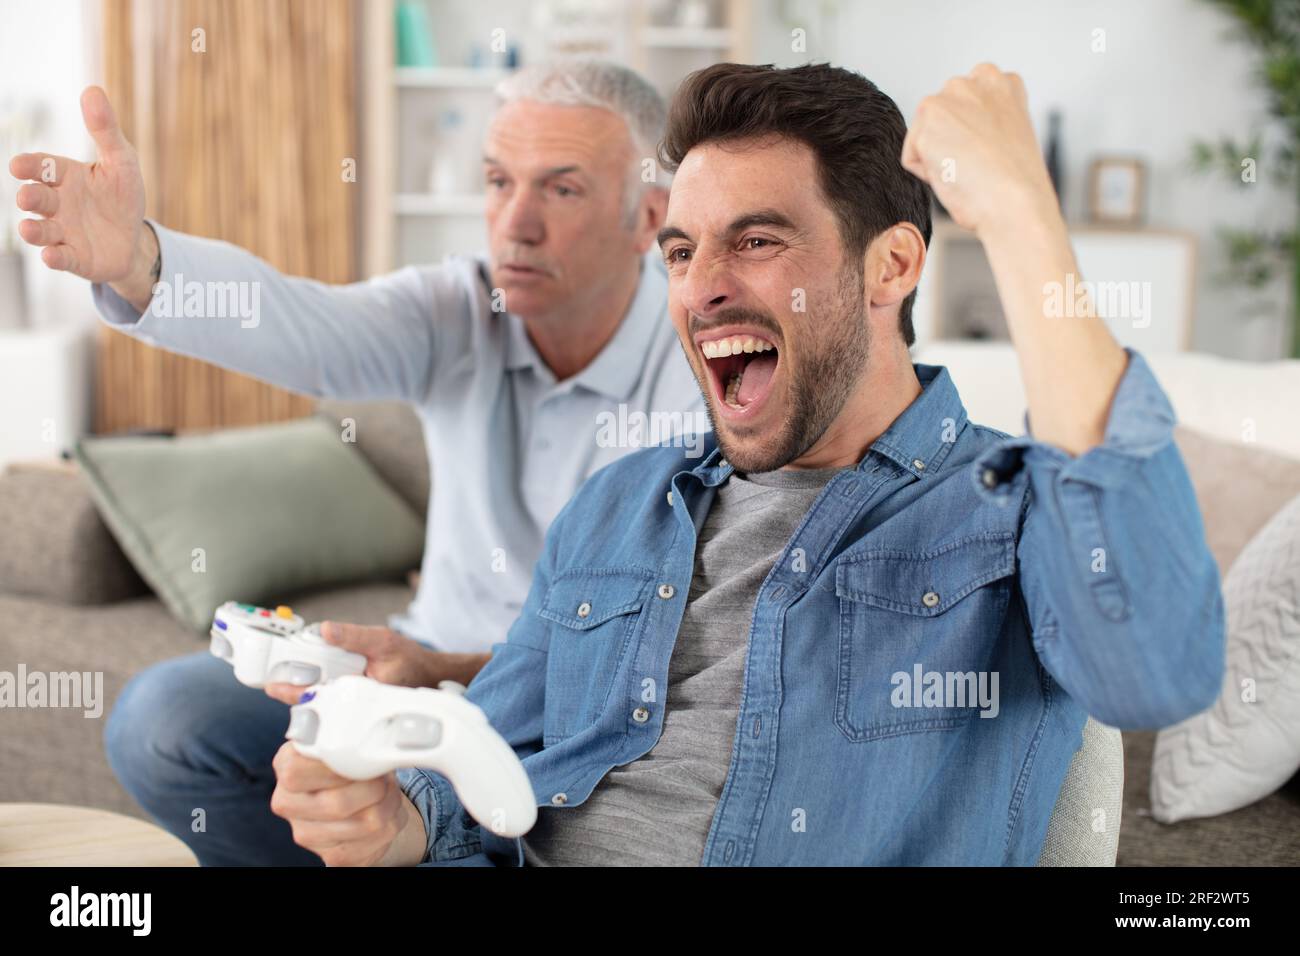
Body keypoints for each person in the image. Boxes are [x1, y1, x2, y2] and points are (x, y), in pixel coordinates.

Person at [268, 62, 1226, 867]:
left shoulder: (1006, 511)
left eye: (757, 240)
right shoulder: (620, 503)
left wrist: (1020, 214)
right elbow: (489, 757)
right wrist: (397, 826)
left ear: (892, 266)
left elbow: (1154, 672)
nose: (703, 289)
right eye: (680, 252)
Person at [7, 60, 705, 865]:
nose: (515, 223)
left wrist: (445, 670)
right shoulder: (460, 308)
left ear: (647, 216)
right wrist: (138, 260)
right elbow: (307, 326)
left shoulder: (694, 370)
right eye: (497, 181)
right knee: (163, 716)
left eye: (562, 189)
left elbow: (669, 650)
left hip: (575, 711)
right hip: (415, 684)